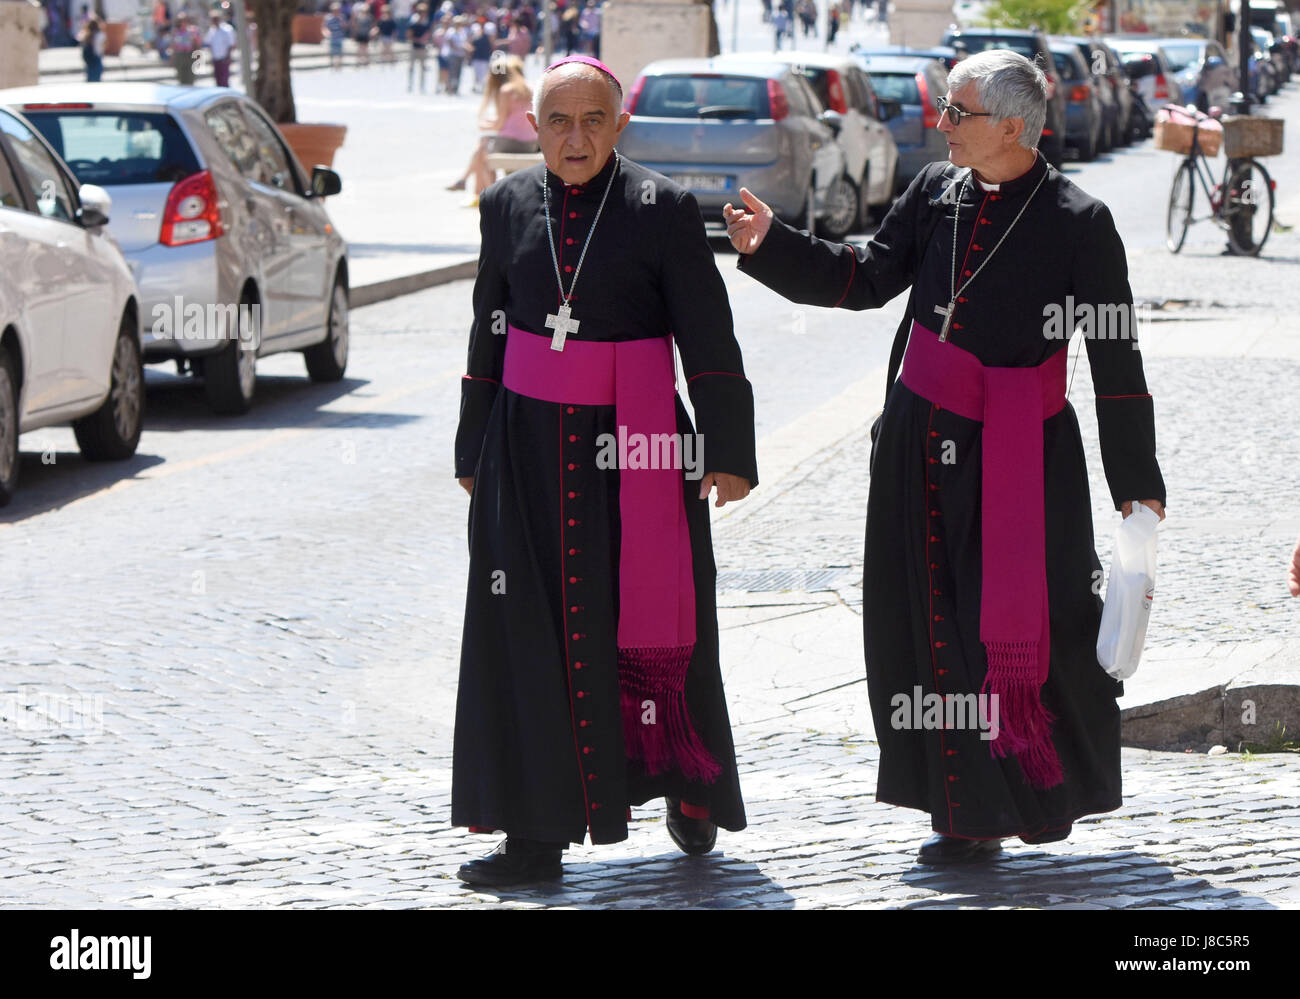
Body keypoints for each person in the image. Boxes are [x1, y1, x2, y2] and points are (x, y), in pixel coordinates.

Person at [723, 50, 1167, 864]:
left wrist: (1135, 483)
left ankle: (1040, 790)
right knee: (931, 631)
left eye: (954, 113)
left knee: (1036, 624)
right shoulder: (934, 192)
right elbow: (862, 278)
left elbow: (1115, 359)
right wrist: (772, 246)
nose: (940, 125)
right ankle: (960, 812)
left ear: (1011, 126)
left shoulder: (1079, 221)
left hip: (1024, 456)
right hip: (919, 444)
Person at [452, 54, 759, 886]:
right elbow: (489, 328)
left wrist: (727, 452)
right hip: (523, 450)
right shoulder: (505, 204)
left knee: (659, 630)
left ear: (620, 124)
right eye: (559, 121)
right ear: (534, 126)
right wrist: (471, 445)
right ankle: (532, 837)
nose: (576, 136)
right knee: (524, 638)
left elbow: (708, 337)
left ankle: (686, 785)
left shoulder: (662, 208)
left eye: (594, 120)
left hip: (642, 451)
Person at [446, 53, 537, 205]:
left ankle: (485, 194)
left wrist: (483, 125)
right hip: (531, 142)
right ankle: (467, 183)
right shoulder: (530, 87)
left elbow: (500, 124)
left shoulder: (506, 90)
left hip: (510, 143)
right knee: (484, 145)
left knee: (482, 149)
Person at [205, 11, 236, 87]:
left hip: (224, 57)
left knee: (224, 78)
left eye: (216, 19)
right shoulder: (211, 30)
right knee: (217, 78)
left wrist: (228, 56)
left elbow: (231, 44)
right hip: (216, 58)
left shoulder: (227, 29)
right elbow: (208, 43)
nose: (214, 21)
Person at [170, 13, 201, 85]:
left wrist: (198, 56)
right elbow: (173, 45)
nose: (182, 22)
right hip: (180, 55)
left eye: (183, 20)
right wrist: (172, 57)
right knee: (181, 75)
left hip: (189, 54)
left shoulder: (192, 30)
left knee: (190, 75)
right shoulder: (176, 32)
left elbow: (197, 43)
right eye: (180, 21)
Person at [407, 2, 431, 91]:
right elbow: (409, 34)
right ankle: (410, 84)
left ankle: (422, 86)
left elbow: (428, 34)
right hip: (414, 47)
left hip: (423, 48)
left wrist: (424, 40)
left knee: (423, 68)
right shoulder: (413, 22)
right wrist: (417, 40)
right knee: (411, 68)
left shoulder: (426, 22)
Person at [79, 15, 106, 83]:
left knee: (90, 78)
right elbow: (101, 47)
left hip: (89, 60)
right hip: (96, 58)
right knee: (96, 79)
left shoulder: (87, 35)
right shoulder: (99, 35)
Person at [324, 3, 347, 70]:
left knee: (340, 52)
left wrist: (343, 24)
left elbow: (346, 27)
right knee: (332, 52)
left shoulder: (342, 17)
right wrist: (326, 33)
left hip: (339, 37)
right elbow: (325, 27)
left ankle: (339, 66)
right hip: (332, 37)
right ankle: (332, 65)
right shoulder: (328, 18)